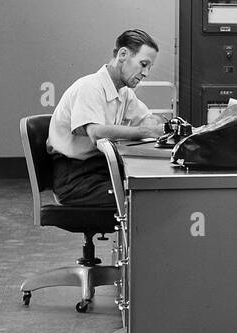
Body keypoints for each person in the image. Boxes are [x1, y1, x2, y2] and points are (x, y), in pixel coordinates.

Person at [46, 29, 166, 207]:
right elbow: (96, 133)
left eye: (149, 67)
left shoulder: (124, 93)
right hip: (75, 178)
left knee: (152, 190)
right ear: (123, 55)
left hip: (98, 168)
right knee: (143, 200)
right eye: (143, 64)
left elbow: (147, 118)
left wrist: (153, 123)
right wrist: (147, 130)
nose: (146, 73)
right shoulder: (89, 87)